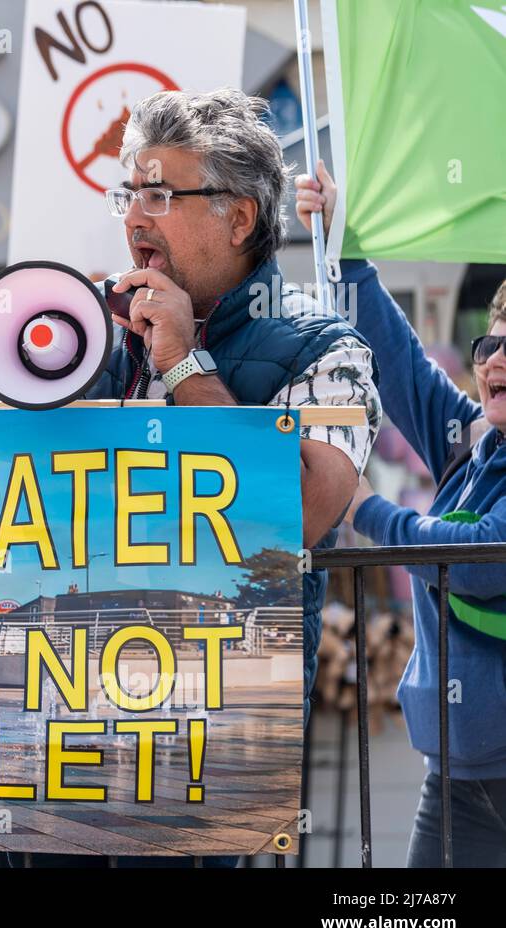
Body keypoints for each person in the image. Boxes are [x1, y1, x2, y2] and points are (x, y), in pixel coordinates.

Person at [84, 89, 382, 712]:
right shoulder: (104, 334)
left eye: (158, 196)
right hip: (82, 697)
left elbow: (294, 517)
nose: (134, 219)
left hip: (231, 713)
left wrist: (184, 364)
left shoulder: (328, 351)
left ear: (239, 219)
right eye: (127, 197)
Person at [297, 162, 506, 867]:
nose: (496, 360)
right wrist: (345, 246)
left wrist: (368, 511)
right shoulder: (470, 440)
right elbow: (400, 362)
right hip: (454, 778)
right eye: (490, 343)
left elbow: (479, 557)